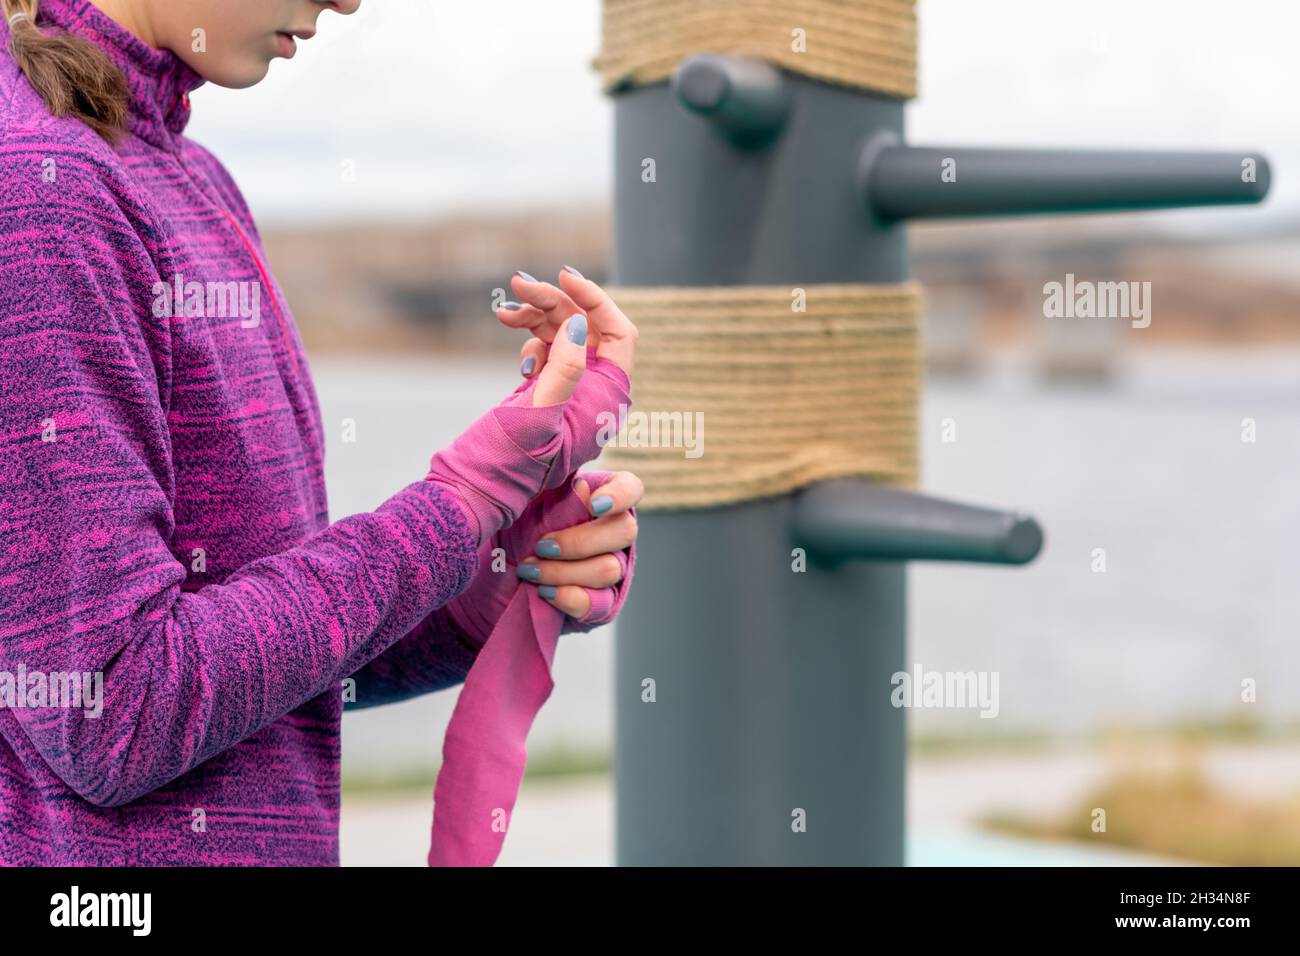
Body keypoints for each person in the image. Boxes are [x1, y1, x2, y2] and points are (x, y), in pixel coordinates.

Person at [0, 0, 642, 865]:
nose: (347, 0)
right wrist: (456, 506)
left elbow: (261, 675)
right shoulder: (42, 195)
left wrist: (479, 582)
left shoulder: (193, 179)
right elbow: (113, 712)